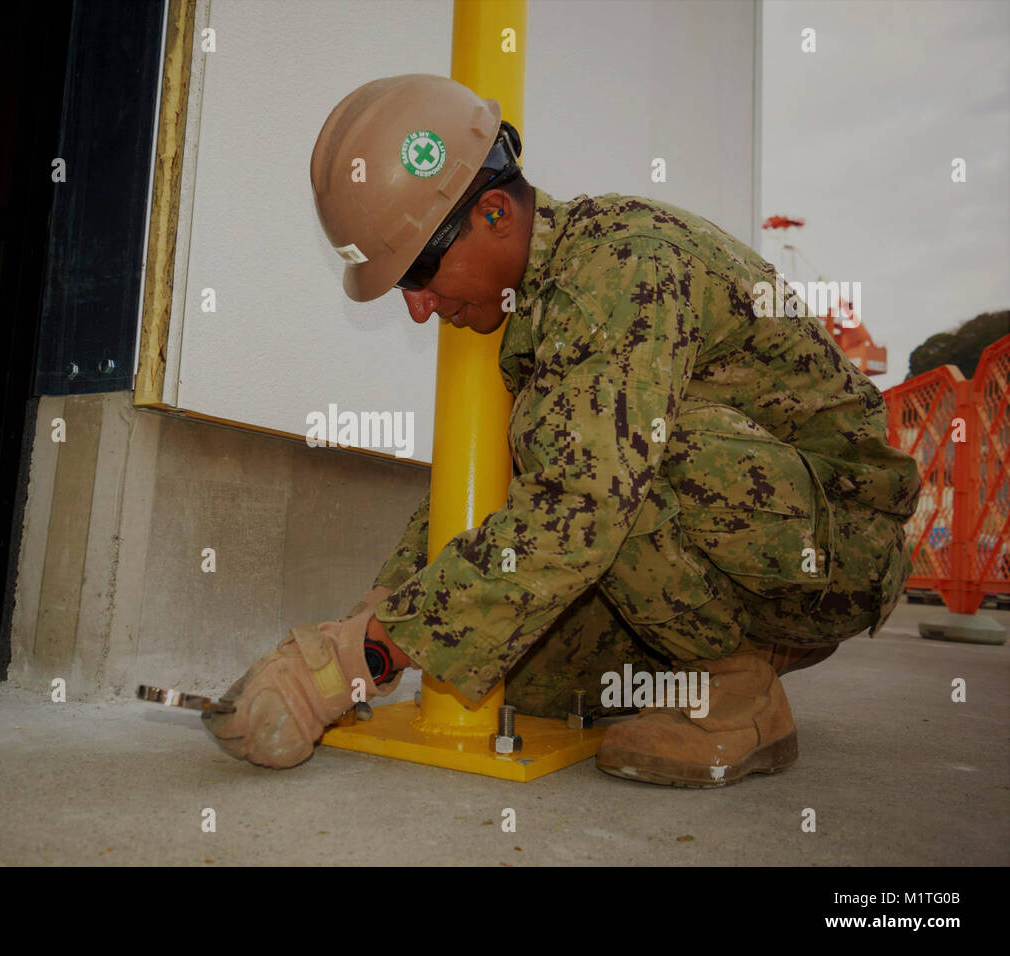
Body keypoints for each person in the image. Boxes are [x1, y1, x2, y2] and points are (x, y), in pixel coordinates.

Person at [204, 74, 919, 787]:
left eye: (420, 271)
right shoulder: (538, 305)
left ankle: (737, 691)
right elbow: (492, 487)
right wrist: (369, 625)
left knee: (605, 470)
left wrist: (370, 654)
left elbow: (581, 500)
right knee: (524, 683)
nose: (419, 309)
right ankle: (723, 659)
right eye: (401, 288)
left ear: (493, 212)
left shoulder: (619, 269)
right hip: (747, 534)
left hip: (838, 538)